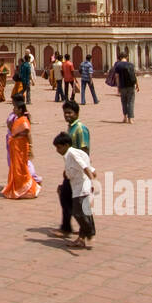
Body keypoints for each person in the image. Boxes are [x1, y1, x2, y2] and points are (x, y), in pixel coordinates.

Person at [54, 131, 97, 248]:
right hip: (77, 186)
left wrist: (92, 181)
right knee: (84, 212)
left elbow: (84, 166)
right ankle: (82, 238)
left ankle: (89, 232)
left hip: (82, 187)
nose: (57, 150)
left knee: (78, 212)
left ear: (66, 145)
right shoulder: (68, 156)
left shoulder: (72, 154)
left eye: (59, 147)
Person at [57, 101, 90, 236]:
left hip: (77, 171)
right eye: (65, 113)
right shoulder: (71, 127)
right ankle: (68, 227)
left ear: (77, 113)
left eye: (70, 113)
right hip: (71, 169)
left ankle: (84, 230)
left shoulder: (80, 129)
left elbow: (84, 150)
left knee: (73, 200)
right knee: (66, 197)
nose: (67, 115)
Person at [2, 96, 41, 199]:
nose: (13, 109)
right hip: (14, 147)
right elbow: (12, 130)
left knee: (21, 168)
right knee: (15, 167)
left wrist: (30, 148)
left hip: (21, 148)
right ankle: (17, 188)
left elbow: (27, 133)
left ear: (20, 110)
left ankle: (28, 187)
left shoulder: (23, 120)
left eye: (15, 108)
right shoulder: (17, 118)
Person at [113, 52, 139, 124]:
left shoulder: (118, 65)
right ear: (126, 57)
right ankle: (130, 119)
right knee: (131, 101)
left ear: (119, 58)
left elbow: (117, 77)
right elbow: (134, 75)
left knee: (124, 102)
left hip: (123, 85)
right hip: (131, 85)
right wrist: (137, 84)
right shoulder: (131, 64)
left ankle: (125, 117)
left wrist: (118, 87)